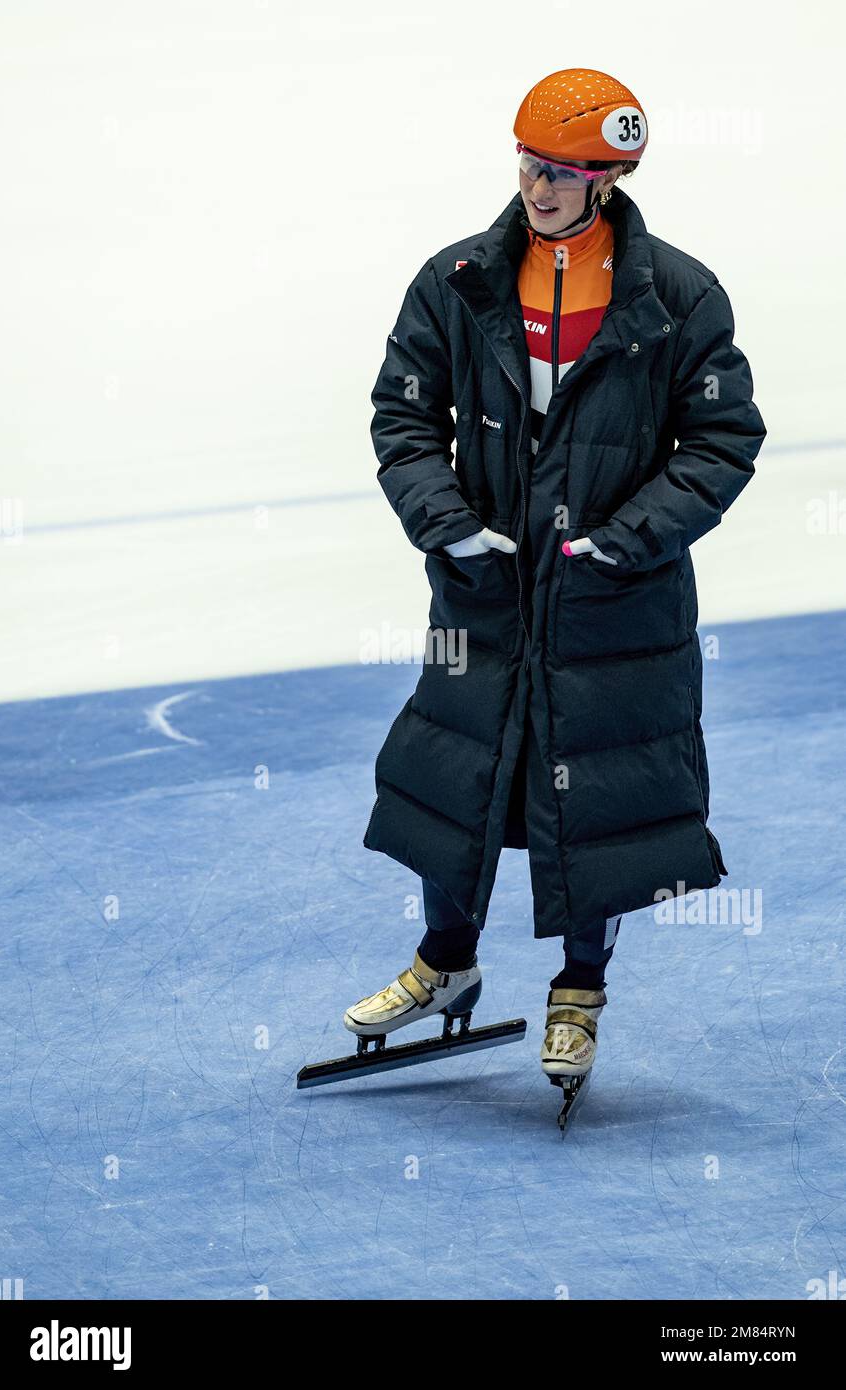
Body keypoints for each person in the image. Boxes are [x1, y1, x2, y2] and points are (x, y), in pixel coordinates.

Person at [347, 69, 766, 1097]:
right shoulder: (457, 280)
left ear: (607, 178)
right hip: (484, 598)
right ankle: (445, 964)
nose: (537, 189)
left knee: (600, 800)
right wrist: (447, 527)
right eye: (528, 167)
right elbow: (402, 417)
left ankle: (578, 992)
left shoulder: (676, 295)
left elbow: (719, 439)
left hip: (615, 607)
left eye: (562, 174)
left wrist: (630, 540)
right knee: (455, 780)